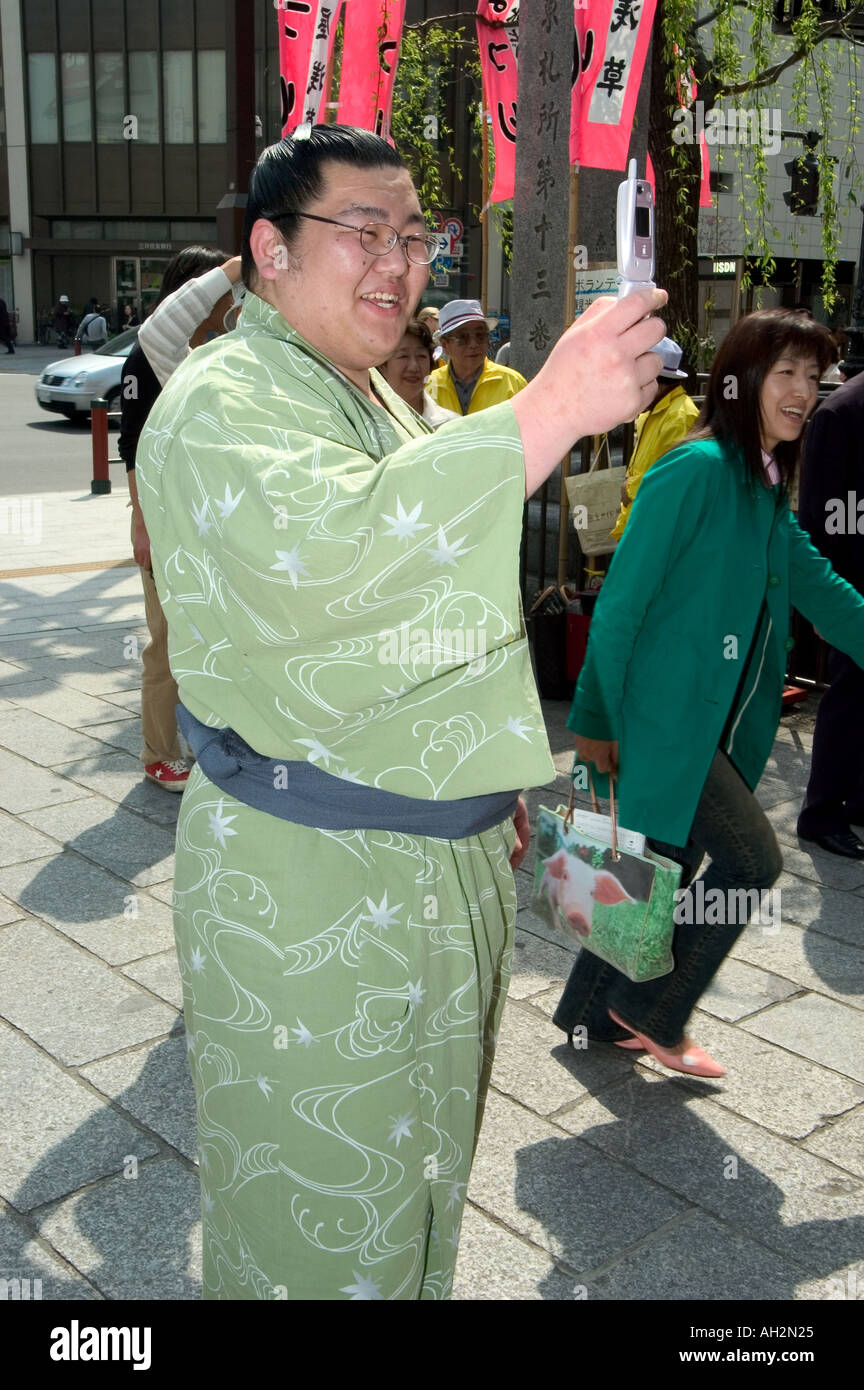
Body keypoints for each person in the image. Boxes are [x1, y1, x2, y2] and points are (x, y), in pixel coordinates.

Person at [135, 124, 666, 1301]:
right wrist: (552, 410)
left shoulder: (363, 389)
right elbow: (335, 561)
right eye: (362, 232)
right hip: (314, 885)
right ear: (270, 251)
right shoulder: (227, 394)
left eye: (413, 236)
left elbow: (433, 611)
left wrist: (478, 770)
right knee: (317, 1228)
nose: (399, 261)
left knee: (416, 1192)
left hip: (422, 866)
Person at [552, 308, 864, 1079]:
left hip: (709, 730)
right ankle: (655, 1010)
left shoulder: (762, 485)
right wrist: (592, 718)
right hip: (661, 728)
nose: (803, 392)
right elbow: (621, 599)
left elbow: (820, 587)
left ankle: (593, 1012)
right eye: (786, 373)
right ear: (742, 379)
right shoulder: (694, 471)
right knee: (754, 862)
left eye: (814, 377)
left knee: (655, 862)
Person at [119, 245, 233, 791]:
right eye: (215, 285)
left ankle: (201, 742)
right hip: (162, 522)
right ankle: (158, 752)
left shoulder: (214, 351)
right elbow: (135, 447)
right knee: (164, 642)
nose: (229, 299)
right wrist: (141, 522)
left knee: (204, 638)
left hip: (205, 524)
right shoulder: (150, 355)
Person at [796, 368, 864, 856]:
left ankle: (857, 800)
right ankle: (823, 812)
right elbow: (819, 513)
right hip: (850, 580)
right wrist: (825, 597)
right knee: (849, 695)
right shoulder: (841, 411)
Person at [610, 337, 699, 541]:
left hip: (658, 528)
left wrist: (630, 487)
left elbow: (675, 478)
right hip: (641, 520)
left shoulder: (680, 416)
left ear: (654, 381)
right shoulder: (653, 411)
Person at [427, 298, 527, 414]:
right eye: (462, 337)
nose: (473, 344)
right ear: (445, 345)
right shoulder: (430, 385)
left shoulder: (512, 382)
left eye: (480, 335)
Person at [378, 317, 457, 426]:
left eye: (421, 356)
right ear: (382, 365)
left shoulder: (450, 424)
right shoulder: (369, 423)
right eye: (403, 356)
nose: (414, 366)